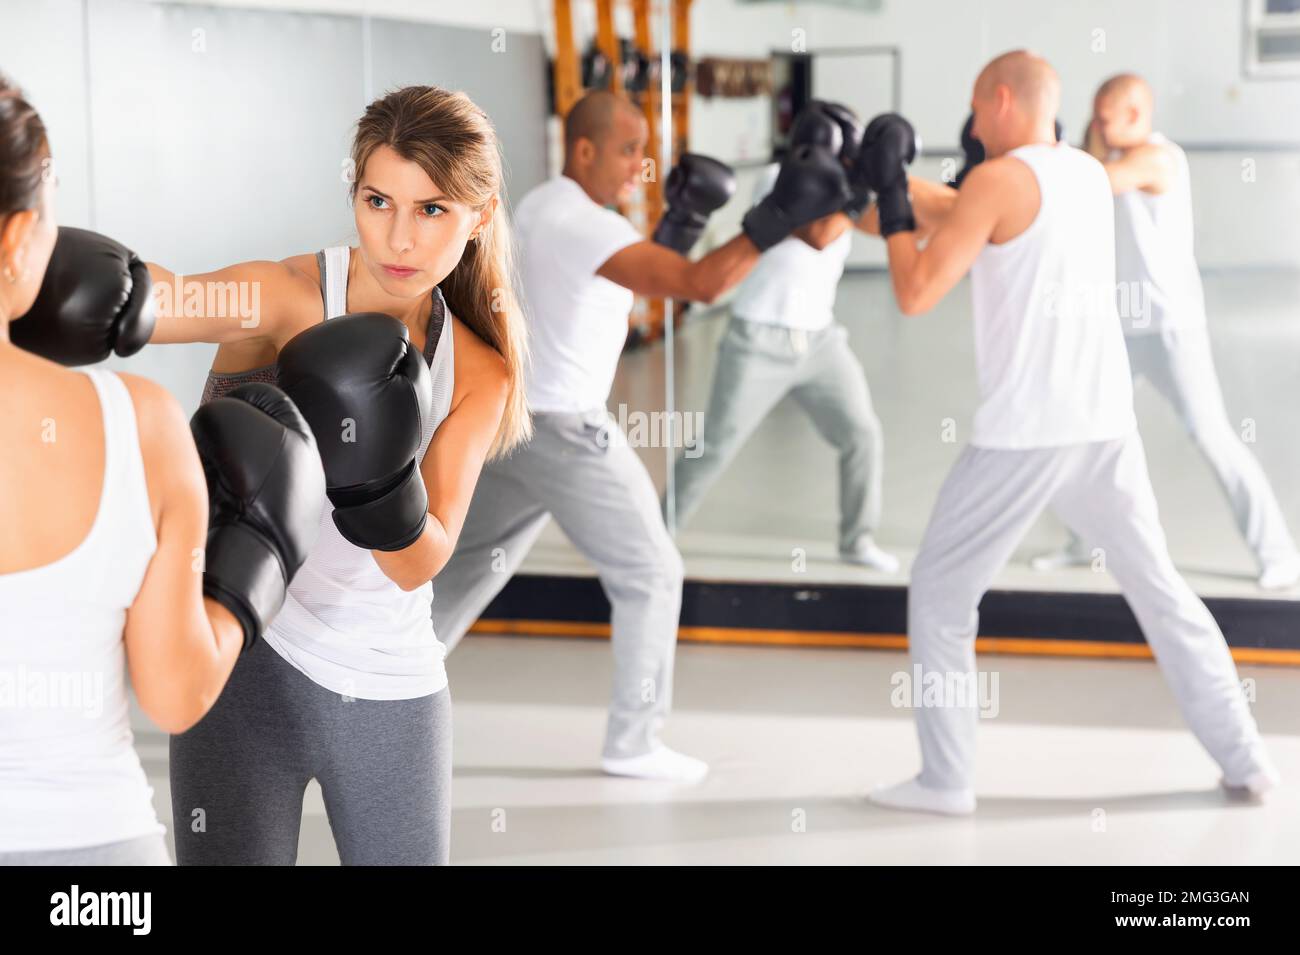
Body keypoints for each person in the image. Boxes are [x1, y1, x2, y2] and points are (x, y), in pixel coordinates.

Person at [849, 51, 1277, 815]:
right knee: (1163, 593)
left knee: (942, 596)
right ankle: (1248, 760)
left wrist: (884, 191)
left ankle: (945, 781)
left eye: (979, 109)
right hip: (1105, 427)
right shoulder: (1081, 172)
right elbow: (970, 212)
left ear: (1003, 99)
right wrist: (878, 195)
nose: (973, 125)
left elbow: (915, 291)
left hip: (1023, 435)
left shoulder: (996, 180)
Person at [121, 86, 523, 865]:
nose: (398, 236)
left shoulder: (480, 370)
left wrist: (373, 479)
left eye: (432, 209)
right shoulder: (286, 296)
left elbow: (420, 561)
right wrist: (91, 277)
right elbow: (167, 300)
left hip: (389, 678)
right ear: (355, 193)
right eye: (379, 201)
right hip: (243, 661)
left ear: (479, 215)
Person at [430, 89, 851, 782]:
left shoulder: (540, 206)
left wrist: (680, 223)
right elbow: (698, 286)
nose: (641, 165)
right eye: (629, 149)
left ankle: (379, 678)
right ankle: (634, 739)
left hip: (511, 420)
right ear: (585, 148)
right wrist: (774, 219)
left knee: (469, 563)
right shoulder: (588, 227)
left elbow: (615, 291)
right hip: (566, 429)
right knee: (652, 573)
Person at [0, 74, 324, 865]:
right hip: (88, 859)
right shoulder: (137, 423)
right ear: (15, 239)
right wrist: (256, 567)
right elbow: (177, 693)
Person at [1029, 73, 1300, 591]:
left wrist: (1047, 152)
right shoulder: (1107, 161)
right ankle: (1083, 541)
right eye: (1095, 118)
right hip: (1119, 328)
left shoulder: (1159, 158)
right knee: (1084, 430)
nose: (1098, 127)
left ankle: (1278, 551)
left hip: (1172, 328)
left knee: (1214, 436)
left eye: (1104, 118)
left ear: (1134, 115)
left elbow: (1097, 183)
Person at [669, 101, 897, 573]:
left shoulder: (849, 190)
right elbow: (817, 234)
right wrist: (862, 189)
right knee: (714, 447)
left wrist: (893, 183)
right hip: (758, 338)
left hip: (820, 341)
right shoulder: (779, 179)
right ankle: (655, 534)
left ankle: (857, 541)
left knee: (862, 435)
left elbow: (881, 222)